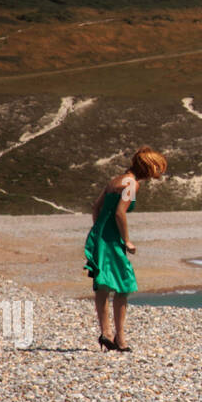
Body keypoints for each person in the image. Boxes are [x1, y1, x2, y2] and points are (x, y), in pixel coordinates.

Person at [84, 147, 167, 352]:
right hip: (112, 239)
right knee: (123, 285)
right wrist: (126, 240)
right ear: (148, 167)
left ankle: (106, 334)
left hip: (99, 236)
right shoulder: (132, 183)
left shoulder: (115, 180)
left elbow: (96, 207)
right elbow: (120, 213)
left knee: (102, 285)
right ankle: (120, 339)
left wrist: (99, 231)